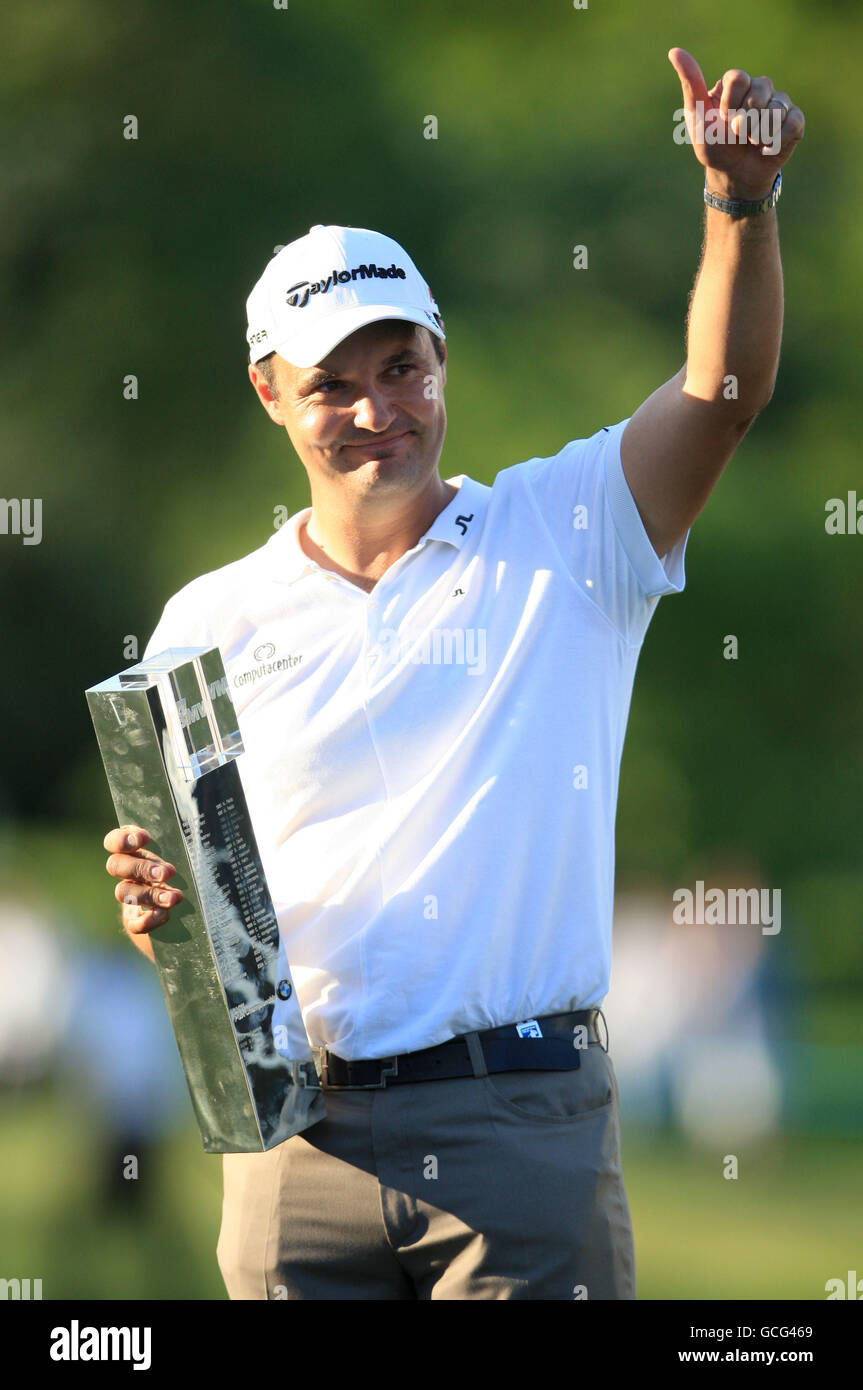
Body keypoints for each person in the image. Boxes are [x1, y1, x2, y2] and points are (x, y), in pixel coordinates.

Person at [103, 49, 804, 1299]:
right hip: (291, 1147)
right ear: (269, 393)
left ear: (442, 358)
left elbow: (722, 393)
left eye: (401, 369)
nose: (377, 410)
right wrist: (158, 908)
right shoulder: (202, 622)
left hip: (519, 1129)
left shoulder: (566, 531)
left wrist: (738, 208)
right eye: (333, 384)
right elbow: (203, 902)